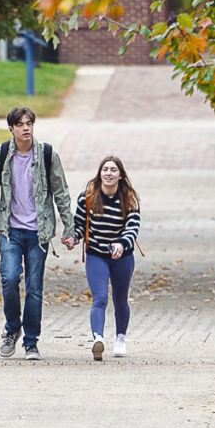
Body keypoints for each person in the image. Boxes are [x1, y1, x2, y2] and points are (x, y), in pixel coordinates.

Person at [0, 106, 73, 359]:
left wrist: (70, 228)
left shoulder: (47, 154)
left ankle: (31, 342)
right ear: (11, 128)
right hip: (10, 230)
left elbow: (61, 192)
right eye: (20, 124)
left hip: (38, 233)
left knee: (34, 288)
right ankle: (13, 327)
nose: (26, 128)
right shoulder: (1, 154)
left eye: (29, 124)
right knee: (9, 278)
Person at [74, 155, 141, 361]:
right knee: (100, 298)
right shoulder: (87, 197)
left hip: (122, 256)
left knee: (120, 299)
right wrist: (72, 238)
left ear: (120, 175)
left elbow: (132, 228)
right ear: (99, 174)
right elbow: (79, 225)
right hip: (96, 255)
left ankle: (120, 338)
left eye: (113, 170)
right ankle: (98, 339)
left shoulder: (129, 199)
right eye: (105, 169)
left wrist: (121, 244)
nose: (108, 173)